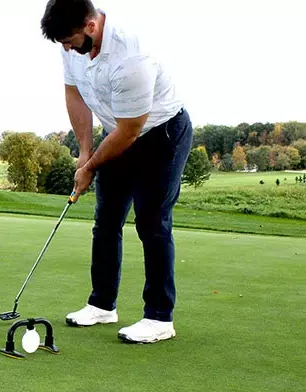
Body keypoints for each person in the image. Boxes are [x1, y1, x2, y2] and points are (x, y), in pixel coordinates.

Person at [40, 0, 193, 343]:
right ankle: (102, 305)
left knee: (152, 223)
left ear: (91, 27)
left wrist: (92, 166)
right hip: (117, 131)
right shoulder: (74, 43)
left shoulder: (132, 59)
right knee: (106, 220)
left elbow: (129, 131)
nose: (66, 48)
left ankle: (159, 318)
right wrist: (83, 152)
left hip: (160, 134)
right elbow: (74, 92)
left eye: (69, 40)